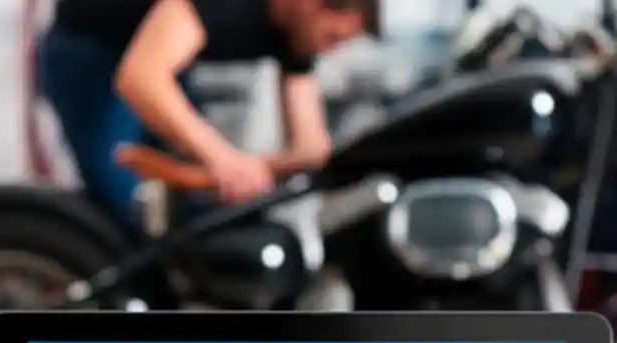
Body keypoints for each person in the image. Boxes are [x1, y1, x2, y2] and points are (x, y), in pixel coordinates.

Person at [38, 0, 372, 223]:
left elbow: (310, 150)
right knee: (129, 209)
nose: (326, 51)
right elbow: (140, 78)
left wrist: (231, 171)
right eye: (330, 37)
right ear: (308, 4)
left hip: (159, 59)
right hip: (92, 54)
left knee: (200, 214)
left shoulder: (298, 33)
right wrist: (225, 162)